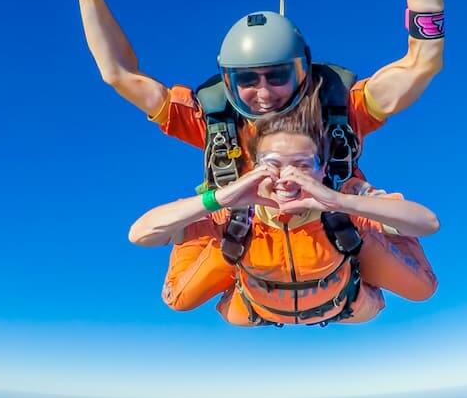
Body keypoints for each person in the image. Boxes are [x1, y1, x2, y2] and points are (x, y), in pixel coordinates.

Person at [69, 0, 446, 189]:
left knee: (414, 279)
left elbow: (422, 63)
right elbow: (118, 73)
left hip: (327, 237)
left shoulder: (341, 111)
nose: (263, 92)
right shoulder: (214, 120)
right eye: (247, 81)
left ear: (303, 71)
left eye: (277, 75)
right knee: (185, 287)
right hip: (251, 253)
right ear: (229, 82)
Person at [128, 86, 439, 326]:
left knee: (422, 288)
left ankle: (358, 275)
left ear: (322, 167)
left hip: (342, 298)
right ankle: (212, 247)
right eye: (273, 164)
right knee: (179, 299)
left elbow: (427, 223)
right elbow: (140, 234)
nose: (287, 177)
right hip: (254, 303)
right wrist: (219, 197)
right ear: (254, 167)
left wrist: (340, 201)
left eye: (303, 165)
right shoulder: (236, 206)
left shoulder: (344, 196)